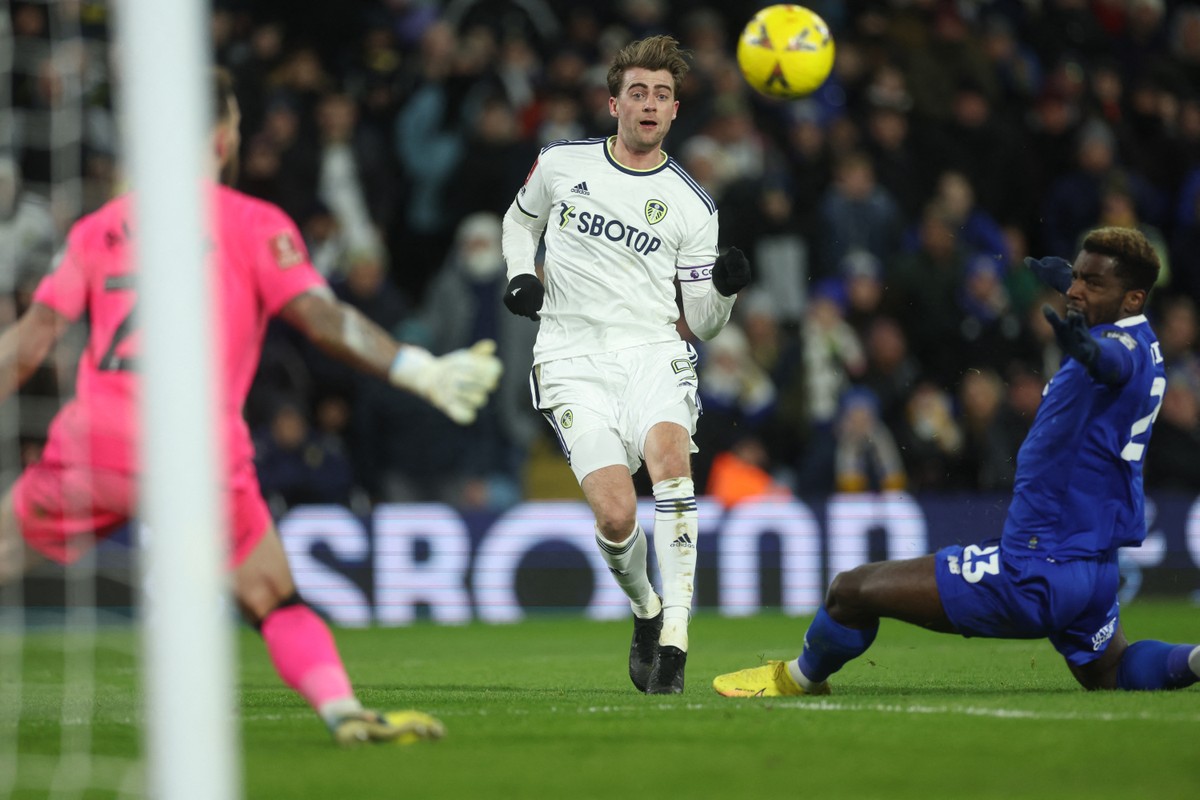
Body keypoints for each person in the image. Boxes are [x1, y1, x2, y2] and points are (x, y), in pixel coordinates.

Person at [0, 69, 503, 745]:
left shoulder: (98, 228)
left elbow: (29, 344)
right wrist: (415, 367)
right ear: (218, 137)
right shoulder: (252, 224)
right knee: (272, 598)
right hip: (194, 457)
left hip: (96, 448)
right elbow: (322, 320)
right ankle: (341, 708)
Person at [713, 227, 1199, 698]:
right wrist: (1077, 291)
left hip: (1035, 569)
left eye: (1091, 283)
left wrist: (1091, 353)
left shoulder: (1118, 348)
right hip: (1092, 569)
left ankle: (798, 679)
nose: (1074, 290)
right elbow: (1121, 344)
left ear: (1132, 299)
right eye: (1075, 276)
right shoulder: (1151, 344)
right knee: (1110, 668)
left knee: (850, 591)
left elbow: (1115, 361)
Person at [500, 35, 750, 695]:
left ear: (673, 113)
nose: (649, 104)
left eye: (661, 95)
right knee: (615, 516)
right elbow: (518, 222)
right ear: (613, 103)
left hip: (651, 351)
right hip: (570, 353)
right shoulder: (561, 165)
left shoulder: (695, 207)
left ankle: (677, 638)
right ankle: (646, 609)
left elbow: (699, 320)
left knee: (671, 458)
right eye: (637, 92)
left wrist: (722, 288)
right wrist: (522, 274)